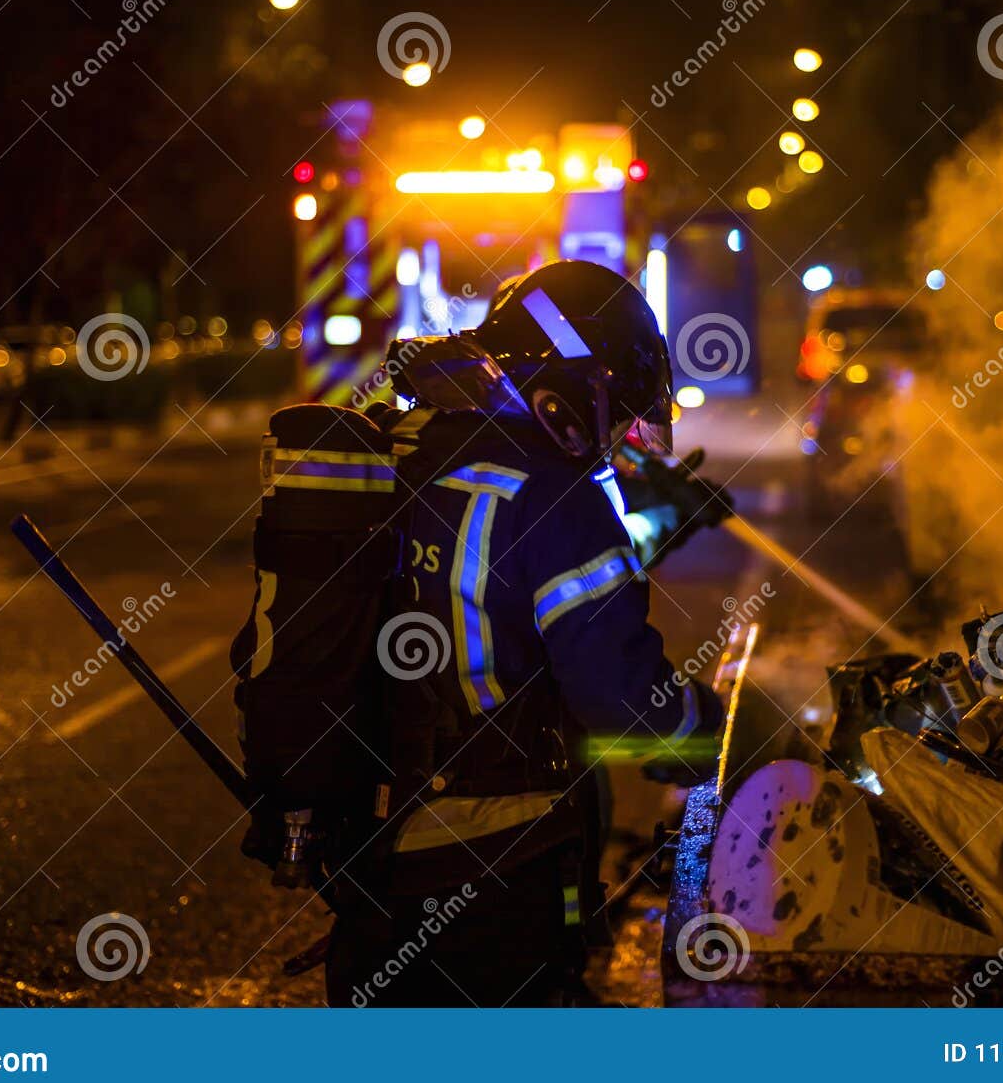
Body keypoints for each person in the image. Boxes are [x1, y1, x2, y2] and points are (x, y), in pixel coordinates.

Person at [243, 260, 733, 1006]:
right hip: (497, 867)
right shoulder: (553, 497)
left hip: (370, 863)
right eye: (612, 404)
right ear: (572, 386)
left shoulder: (392, 449)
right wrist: (721, 738)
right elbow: (623, 700)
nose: (612, 435)